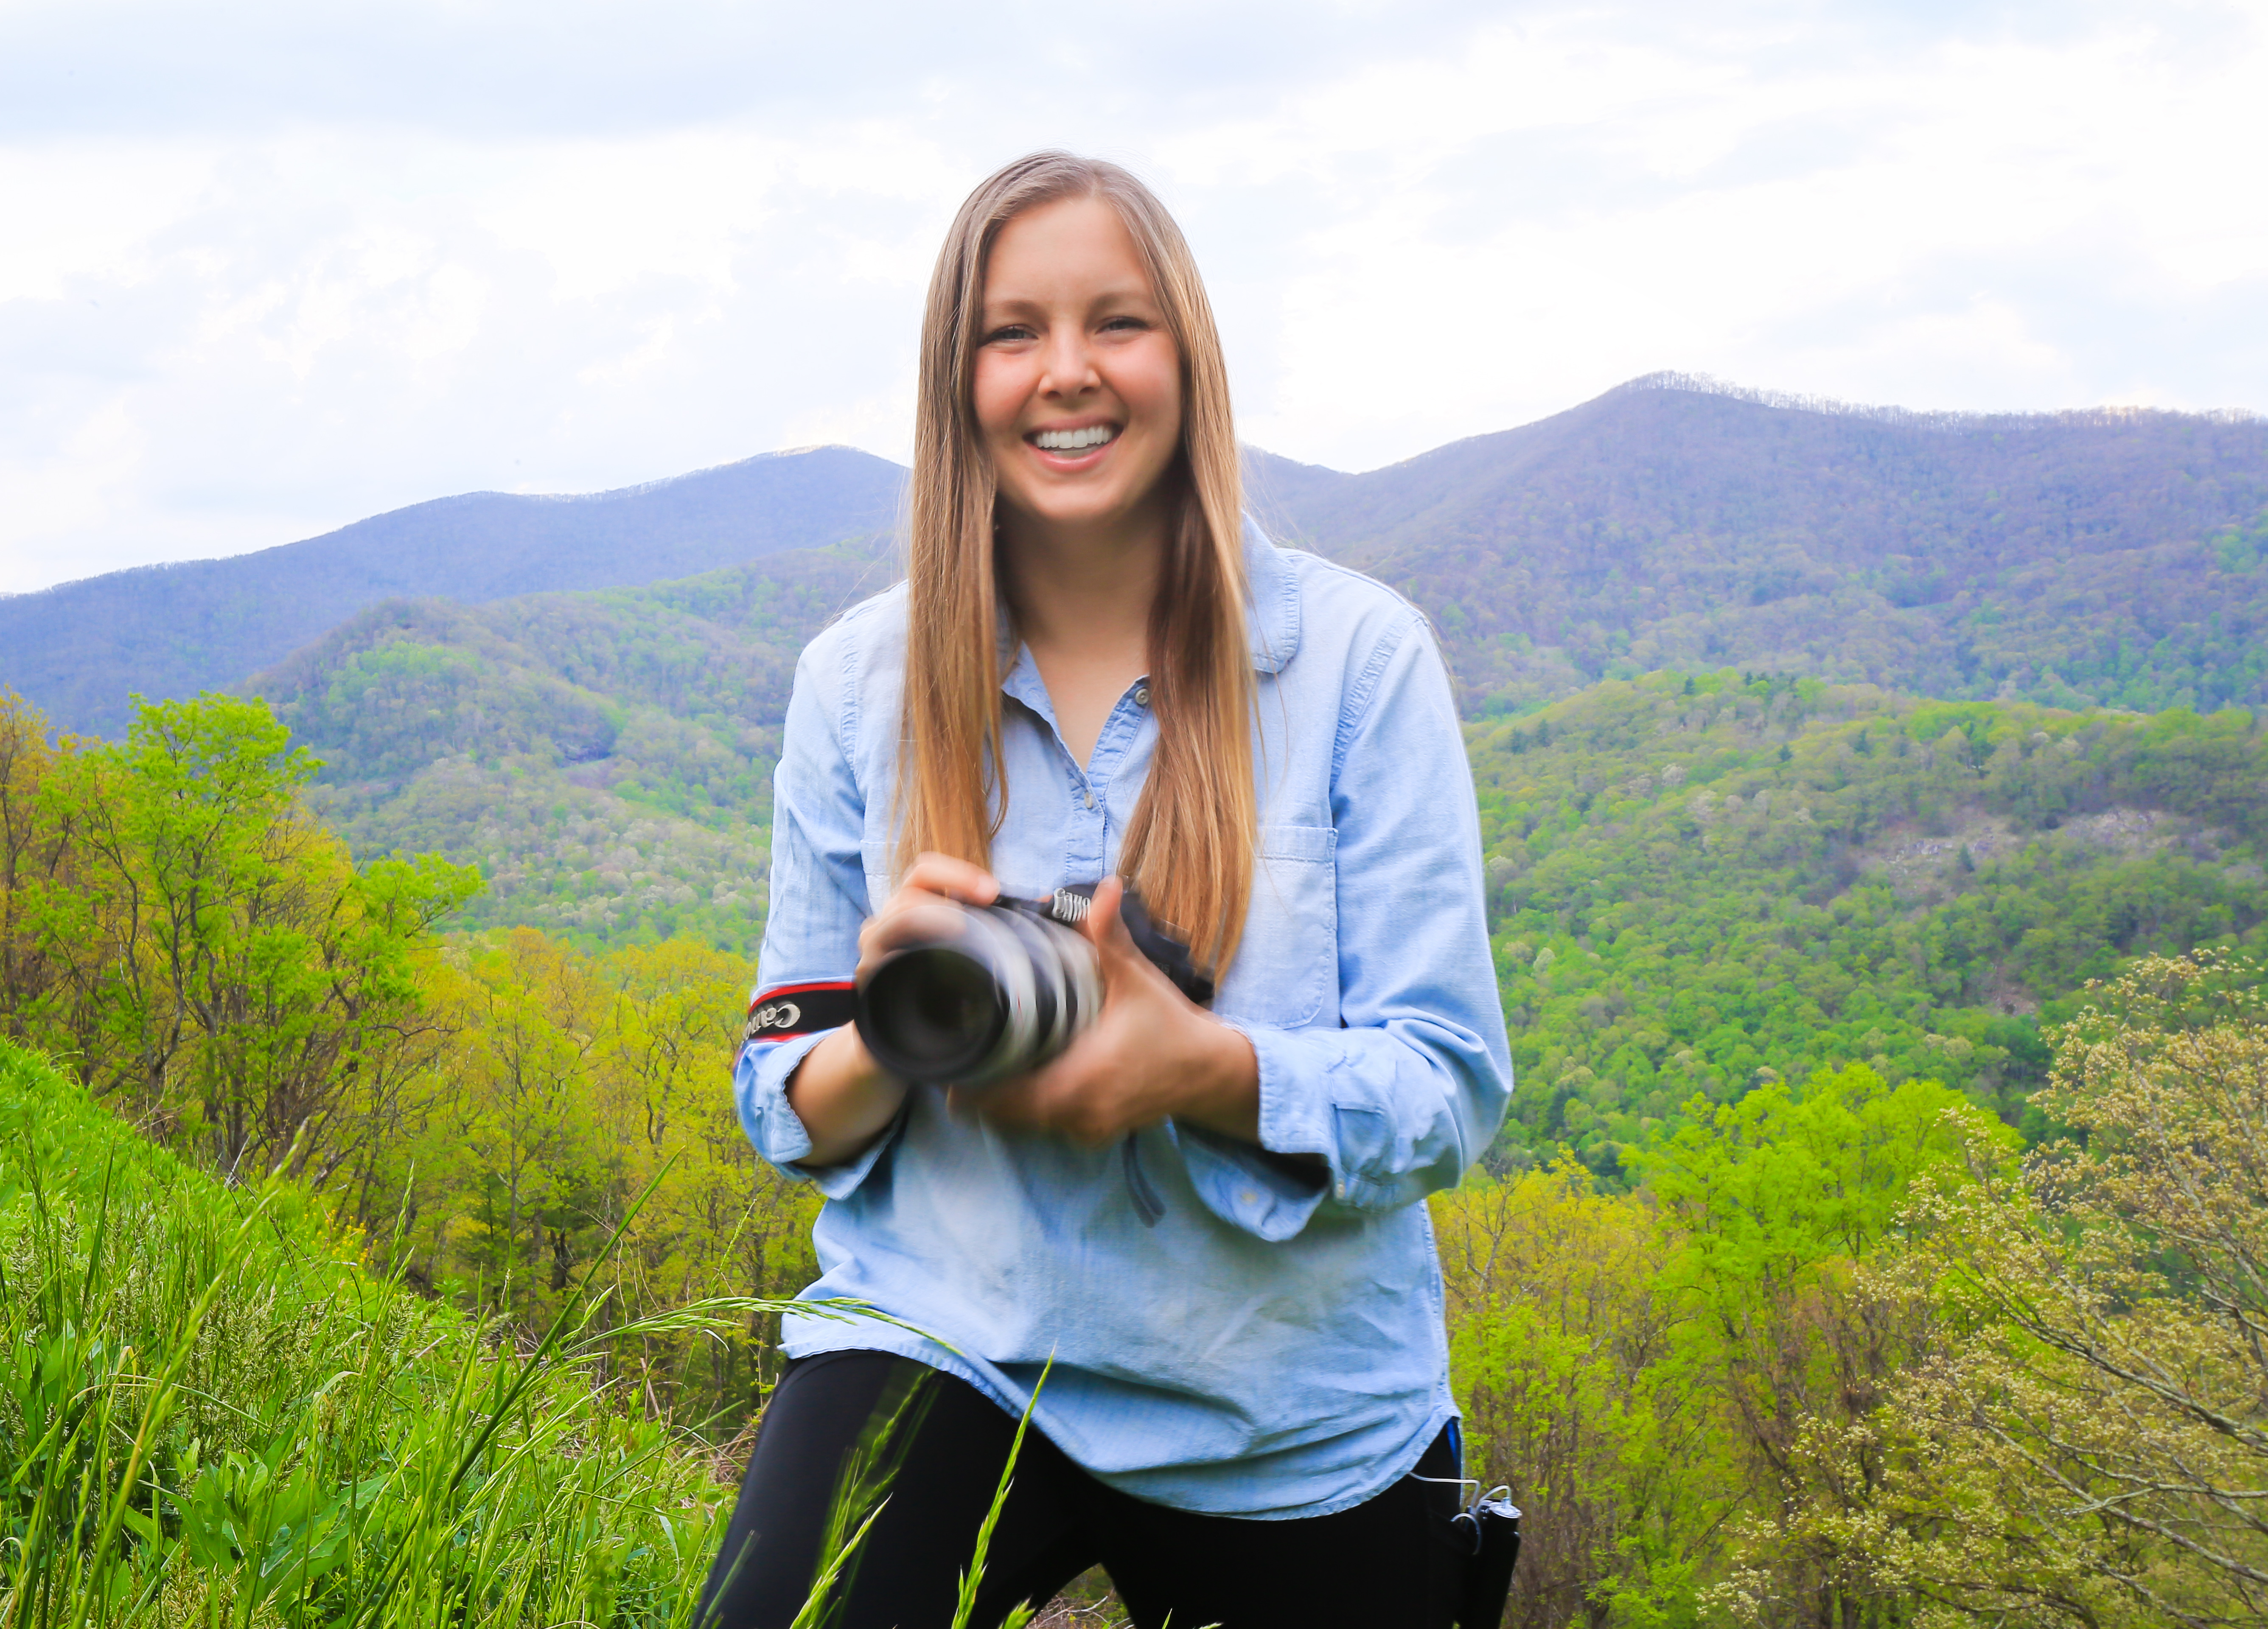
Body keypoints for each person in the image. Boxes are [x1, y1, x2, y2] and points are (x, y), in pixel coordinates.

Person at [700, 151, 1511, 1629]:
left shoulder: (1356, 662)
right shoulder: (856, 682)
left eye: (1115, 322)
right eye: (1011, 332)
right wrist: (903, 1023)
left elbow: (1448, 1088)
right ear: (957, 381)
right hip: (944, 1325)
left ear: (1186, 358)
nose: (1064, 371)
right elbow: (781, 1090)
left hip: (1289, 1411)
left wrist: (1200, 1070)